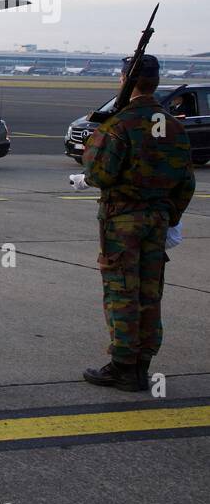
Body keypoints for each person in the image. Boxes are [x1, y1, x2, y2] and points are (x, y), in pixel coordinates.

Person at [79, 54, 196, 392]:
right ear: (156, 82)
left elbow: (98, 173)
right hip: (157, 221)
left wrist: (97, 137)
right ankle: (142, 365)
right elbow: (186, 183)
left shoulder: (121, 124)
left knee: (122, 291)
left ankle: (123, 366)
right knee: (150, 291)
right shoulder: (172, 125)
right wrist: (167, 215)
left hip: (123, 221)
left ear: (125, 80)